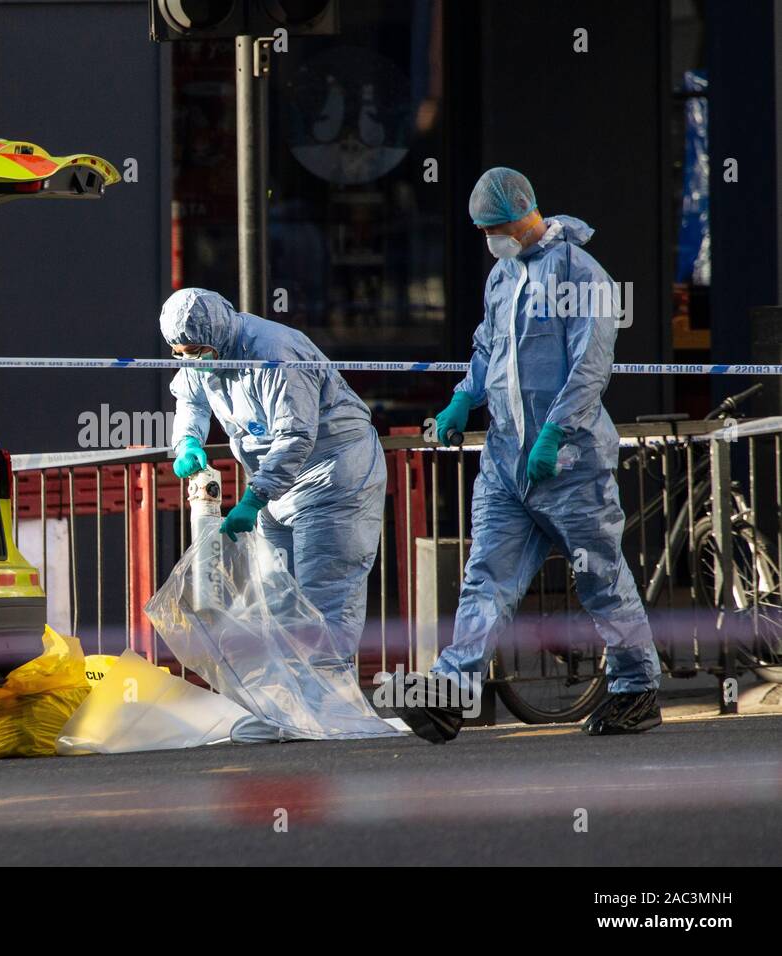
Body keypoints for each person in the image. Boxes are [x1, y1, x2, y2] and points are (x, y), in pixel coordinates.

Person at [395, 167, 662, 743]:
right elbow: (487, 349)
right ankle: (449, 692)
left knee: (601, 577)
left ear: (519, 216)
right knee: (485, 576)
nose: (487, 238)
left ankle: (636, 688)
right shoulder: (503, 275)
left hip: (570, 465)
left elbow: (590, 367)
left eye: (491, 227)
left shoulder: (581, 275)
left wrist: (555, 434)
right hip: (507, 461)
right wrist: (462, 400)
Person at [162, 288, 386, 666]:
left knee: (325, 603)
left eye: (195, 351)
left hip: (333, 479)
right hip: (277, 490)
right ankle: (292, 713)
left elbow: (296, 435)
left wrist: (254, 498)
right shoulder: (207, 353)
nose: (190, 360)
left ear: (214, 336)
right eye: (180, 354)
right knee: (278, 601)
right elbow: (191, 399)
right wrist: (187, 440)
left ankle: (330, 714)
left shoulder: (275, 352)